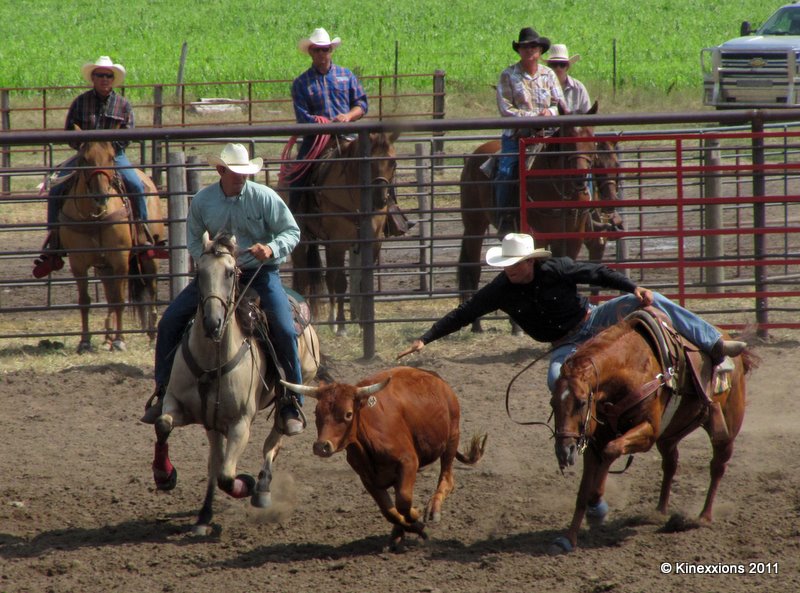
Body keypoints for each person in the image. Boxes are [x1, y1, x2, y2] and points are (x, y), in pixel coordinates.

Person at [397, 233, 747, 432]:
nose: (509, 271)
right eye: (506, 266)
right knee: (557, 380)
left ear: (530, 261)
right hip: (564, 343)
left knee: (644, 300)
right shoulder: (499, 290)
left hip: (594, 319)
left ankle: (712, 342)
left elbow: (598, 273)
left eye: (514, 264)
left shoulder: (557, 269)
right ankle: (591, 425)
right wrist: (426, 338)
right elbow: (465, 312)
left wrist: (633, 287)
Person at [140, 143, 305, 436]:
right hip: (216, 276)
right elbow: (194, 239)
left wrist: (271, 247)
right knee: (169, 322)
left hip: (259, 273)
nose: (242, 177)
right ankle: (164, 391)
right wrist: (210, 261)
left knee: (283, 326)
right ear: (220, 170)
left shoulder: (264, 197)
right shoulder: (203, 201)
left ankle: (291, 401)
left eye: (245, 172)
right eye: (235, 172)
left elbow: (291, 231)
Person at [34, 56, 154, 278]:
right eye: (100, 75)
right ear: (93, 78)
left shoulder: (123, 105)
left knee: (136, 184)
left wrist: (107, 150)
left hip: (113, 156)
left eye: (108, 75)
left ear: (113, 79)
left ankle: (142, 232)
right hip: (86, 157)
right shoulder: (80, 103)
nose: (104, 79)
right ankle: (55, 239)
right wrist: (85, 148)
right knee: (56, 187)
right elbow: (69, 131)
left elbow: (129, 133)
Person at [288, 27, 368, 211]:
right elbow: (302, 116)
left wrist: (348, 116)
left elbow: (361, 105)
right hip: (316, 140)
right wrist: (324, 124)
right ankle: (296, 218)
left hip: (348, 136)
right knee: (297, 178)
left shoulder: (346, 75)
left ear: (331, 50)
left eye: (325, 49)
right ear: (311, 52)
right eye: (317, 49)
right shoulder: (301, 83)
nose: (321, 53)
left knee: (379, 166)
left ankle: (392, 213)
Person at [495, 28, 565, 236]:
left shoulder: (548, 74)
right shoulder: (508, 75)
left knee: (577, 161)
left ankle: (588, 211)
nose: (529, 50)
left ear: (540, 50)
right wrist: (535, 117)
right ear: (519, 50)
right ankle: (505, 217)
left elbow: (560, 104)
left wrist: (550, 112)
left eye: (533, 46)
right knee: (506, 172)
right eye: (525, 47)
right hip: (518, 136)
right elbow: (506, 109)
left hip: (548, 135)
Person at [546, 44, 591, 114]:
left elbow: (588, 116)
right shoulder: (542, 87)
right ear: (549, 67)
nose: (558, 68)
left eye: (562, 64)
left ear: (567, 66)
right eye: (554, 64)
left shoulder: (579, 88)